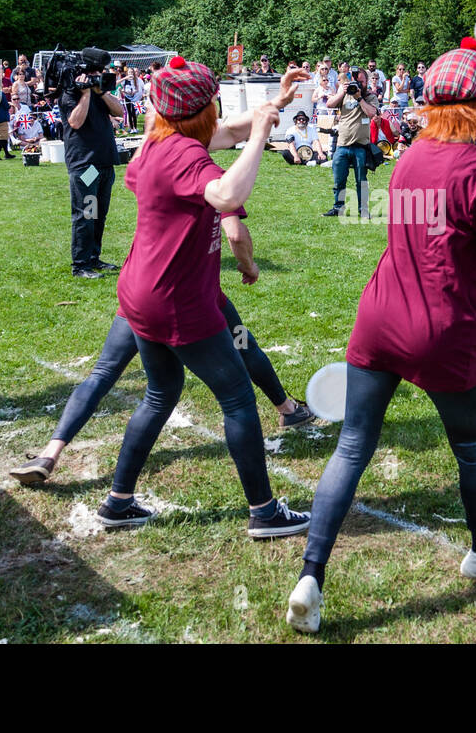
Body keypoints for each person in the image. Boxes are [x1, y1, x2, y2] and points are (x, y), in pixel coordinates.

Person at [285, 39, 476, 634]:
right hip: (440, 331)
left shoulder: (409, 157)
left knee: (352, 445)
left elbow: (428, 244)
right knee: (470, 449)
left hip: (382, 316)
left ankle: (311, 574)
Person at [90, 58, 314, 531]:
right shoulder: (186, 155)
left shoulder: (162, 140)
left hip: (141, 292)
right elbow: (228, 195)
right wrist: (259, 137)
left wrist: (274, 103)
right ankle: (264, 512)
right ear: (205, 107)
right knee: (237, 398)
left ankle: (118, 501)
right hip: (176, 299)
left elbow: (228, 132)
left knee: (159, 394)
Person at [10, 209, 316, 485]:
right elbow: (235, 233)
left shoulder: (152, 165)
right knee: (242, 345)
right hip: (191, 298)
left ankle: (50, 453)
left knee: (103, 373)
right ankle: (288, 410)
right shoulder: (210, 177)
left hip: (138, 295)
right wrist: (248, 266)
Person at [54, 61, 125, 278]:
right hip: (86, 165)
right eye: (94, 73)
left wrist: (100, 93)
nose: (98, 76)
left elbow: (119, 111)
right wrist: (85, 95)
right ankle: (81, 264)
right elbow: (75, 122)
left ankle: (94, 257)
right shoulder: (69, 94)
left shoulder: (100, 93)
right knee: (86, 213)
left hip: (104, 162)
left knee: (99, 214)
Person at [322, 68, 377, 218]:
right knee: (339, 180)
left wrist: (359, 98)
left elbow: (372, 113)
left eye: (361, 82)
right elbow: (329, 104)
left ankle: (363, 209)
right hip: (342, 145)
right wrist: (342, 91)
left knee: (361, 181)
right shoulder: (345, 95)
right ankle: (338, 207)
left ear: (366, 82)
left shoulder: (370, 96)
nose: (358, 84)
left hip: (361, 146)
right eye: (355, 81)